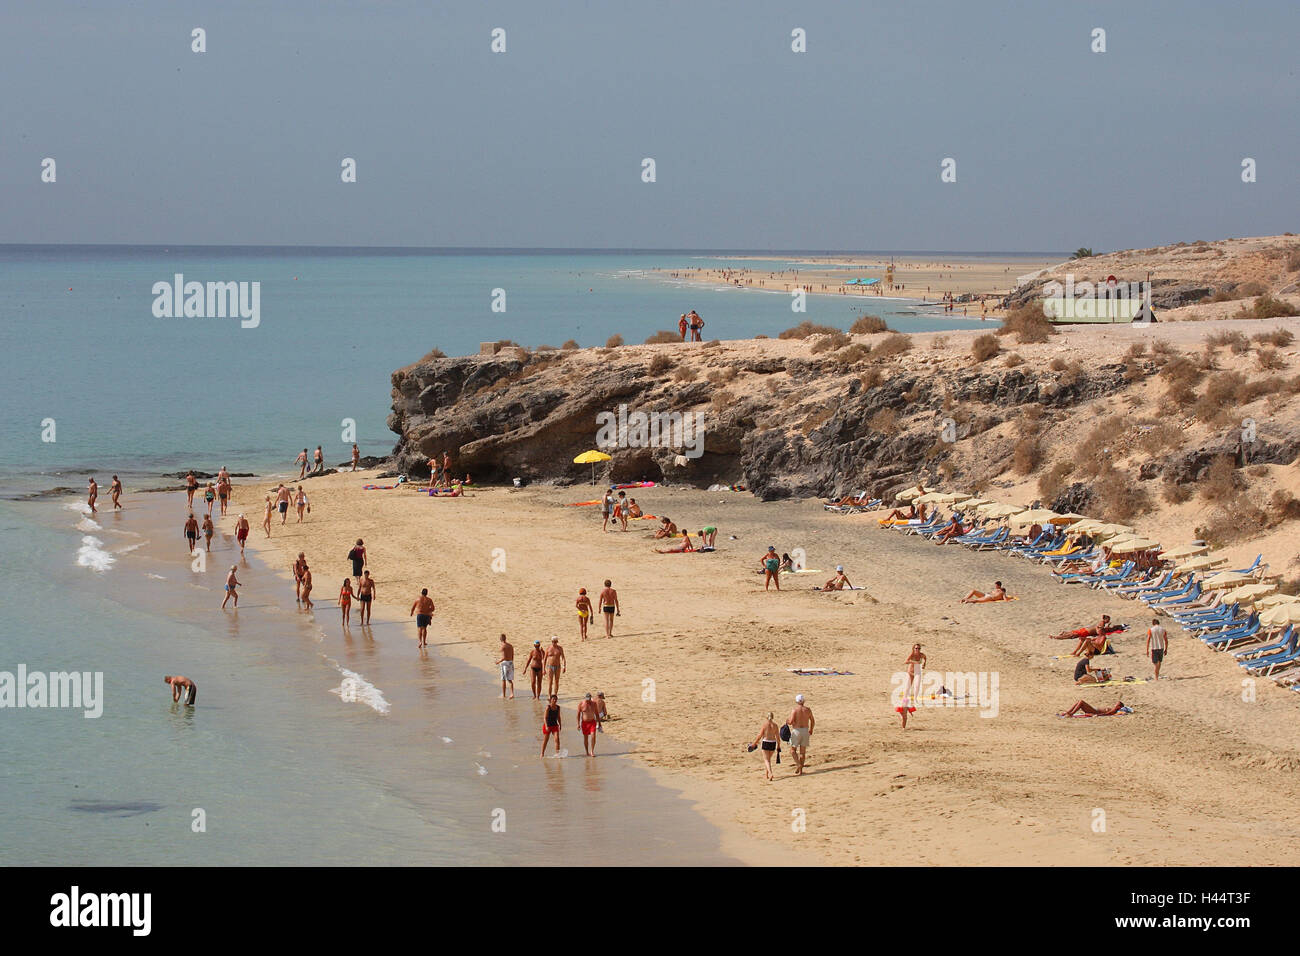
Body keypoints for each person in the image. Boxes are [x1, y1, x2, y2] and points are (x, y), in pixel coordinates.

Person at [787, 694, 814, 775]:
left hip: (797, 730)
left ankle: (798, 764)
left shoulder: (795, 710)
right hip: (805, 730)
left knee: (792, 750)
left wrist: (787, 721)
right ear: (803, 701)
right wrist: (811, 729)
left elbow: (791, 721)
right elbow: (812, 720)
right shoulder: (808, 710)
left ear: (796, 701)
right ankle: (801, 770)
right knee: (802, 752)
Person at [749, 712, 781, 781]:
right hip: (773, 742)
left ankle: (770, 773)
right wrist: (778, 745)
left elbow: (760, 735)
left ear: (766, 717)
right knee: (768, 760)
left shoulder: (765, 725)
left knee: (766, 760)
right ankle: (766, 775)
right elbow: (778, 737)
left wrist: (754, 743)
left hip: (766, 742)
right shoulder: (775, 725)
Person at [1058, 699, 1129, 717]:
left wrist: (1096, 715)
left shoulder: (1114, 710)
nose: (1115, 704)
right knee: (1079, 702)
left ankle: (1071, 714)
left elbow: (1107, 714)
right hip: (1095, 710)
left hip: (1095, 712)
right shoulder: (1114, 709)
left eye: (1117, 704)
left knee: (1081, 702)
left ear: (1119, 707)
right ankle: (1068, 712)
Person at [496, 634, 515, 699]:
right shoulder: (510, 646)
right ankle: (512, 693)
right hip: (510, 662)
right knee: (510, 679)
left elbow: (504, 657)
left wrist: (498, 662)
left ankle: (504, 695)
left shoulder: (503, 647)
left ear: (500, 639)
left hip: (505, 664)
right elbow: (512, 655)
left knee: (504, 679)